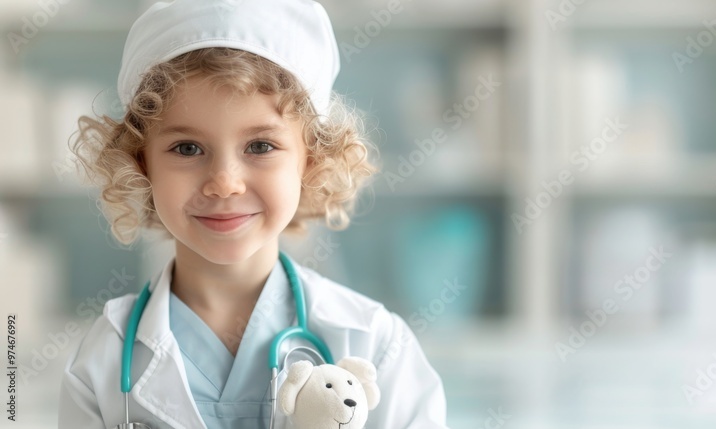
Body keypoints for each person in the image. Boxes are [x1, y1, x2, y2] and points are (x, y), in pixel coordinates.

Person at [57, 0, 448, 427]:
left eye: (260, 146)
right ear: (140, 164)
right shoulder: (103, 362)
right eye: (187, 148)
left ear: (311, 162)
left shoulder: (375, 345)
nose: (224, 182)